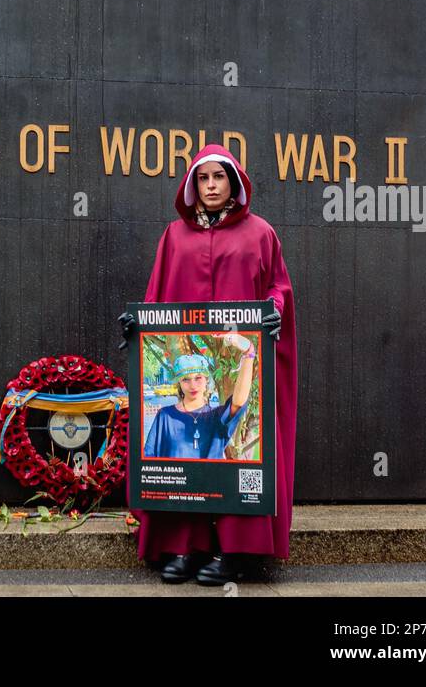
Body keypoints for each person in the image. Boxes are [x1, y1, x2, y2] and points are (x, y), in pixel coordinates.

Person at [121, 143, 297, 586]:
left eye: (220, 177)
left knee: (235, 450)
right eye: (203, 178)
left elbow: (278, 287)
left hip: (238, 361)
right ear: (192, 185)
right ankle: (182, 546)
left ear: (234, 182)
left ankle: (233, 551)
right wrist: (139, 325)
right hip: (189, 366)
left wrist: (273, 310)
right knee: (182, 455)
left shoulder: (261, 234)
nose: (212, 185)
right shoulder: (174, 236)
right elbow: (158, 295)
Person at [143, 350, 253, 460]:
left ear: (206, 380)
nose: (193, 385)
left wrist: (249, 354)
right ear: (179, 383)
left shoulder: (218, 417)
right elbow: (149, 458)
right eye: (186, 379)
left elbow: (239, 402)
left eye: (198, 378)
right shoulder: (165, 416)